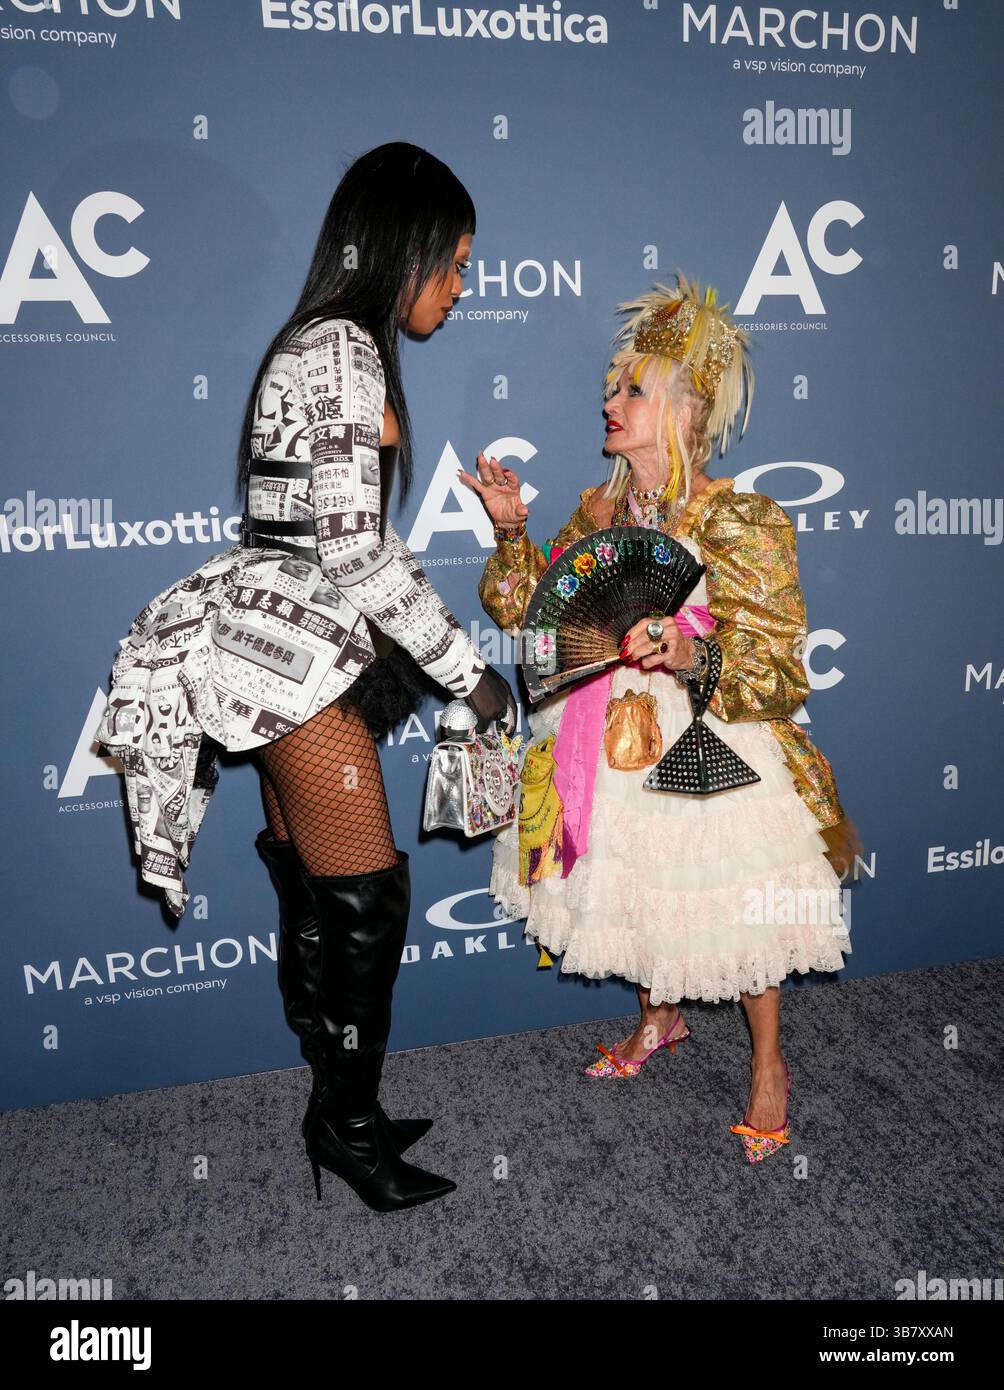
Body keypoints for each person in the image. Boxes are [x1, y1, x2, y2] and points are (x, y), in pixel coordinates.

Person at [96, 142, 516, 1211]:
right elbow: (356, 553)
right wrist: (470, 676)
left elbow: (333, 542)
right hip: (290, 655)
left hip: (282, 644)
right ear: (402, 245)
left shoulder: (335, 344)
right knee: (363, 897)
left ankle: (338, 1107)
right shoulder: (340, 352)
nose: (461, 288)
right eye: (454, 262)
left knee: (317, 889)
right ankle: (345, 1123)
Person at [460, 274, 859, 1163]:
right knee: (629, 882)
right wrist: (509, 533)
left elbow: (780, 668)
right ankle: (660, 1020)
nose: (610, 402)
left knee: (732, 905)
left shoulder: (738, 518)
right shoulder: (599, 512)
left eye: (631, 389)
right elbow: (531, 615)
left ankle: (767, 1065)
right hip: (604, 736)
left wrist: (688, 653)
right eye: (614, 388)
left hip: (710, 734)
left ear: (683, 407)